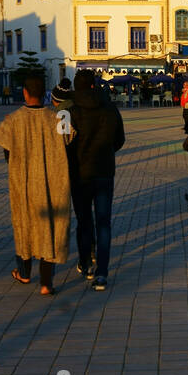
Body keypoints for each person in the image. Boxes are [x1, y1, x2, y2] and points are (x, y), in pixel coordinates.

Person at [0, 76, 71, 296]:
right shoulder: (57, 119)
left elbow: (7, 152)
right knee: (50, 229)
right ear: (45, 93)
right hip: (53, 183)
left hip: (23, 182)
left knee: (23, 225)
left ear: (25, 93)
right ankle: (46, 283)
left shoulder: (13, 120)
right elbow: (69, 142)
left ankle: (24, 273)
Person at [68, 69, 125, 290]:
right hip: (104, 172)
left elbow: (63, 143)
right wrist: (107, 153)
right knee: (104, 222)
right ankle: (102, 272)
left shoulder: (70, 112)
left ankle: (85, 263)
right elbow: (119, 139)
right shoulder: (110, 109)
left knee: (83, 221)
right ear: (93, 85)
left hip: (79, 174)